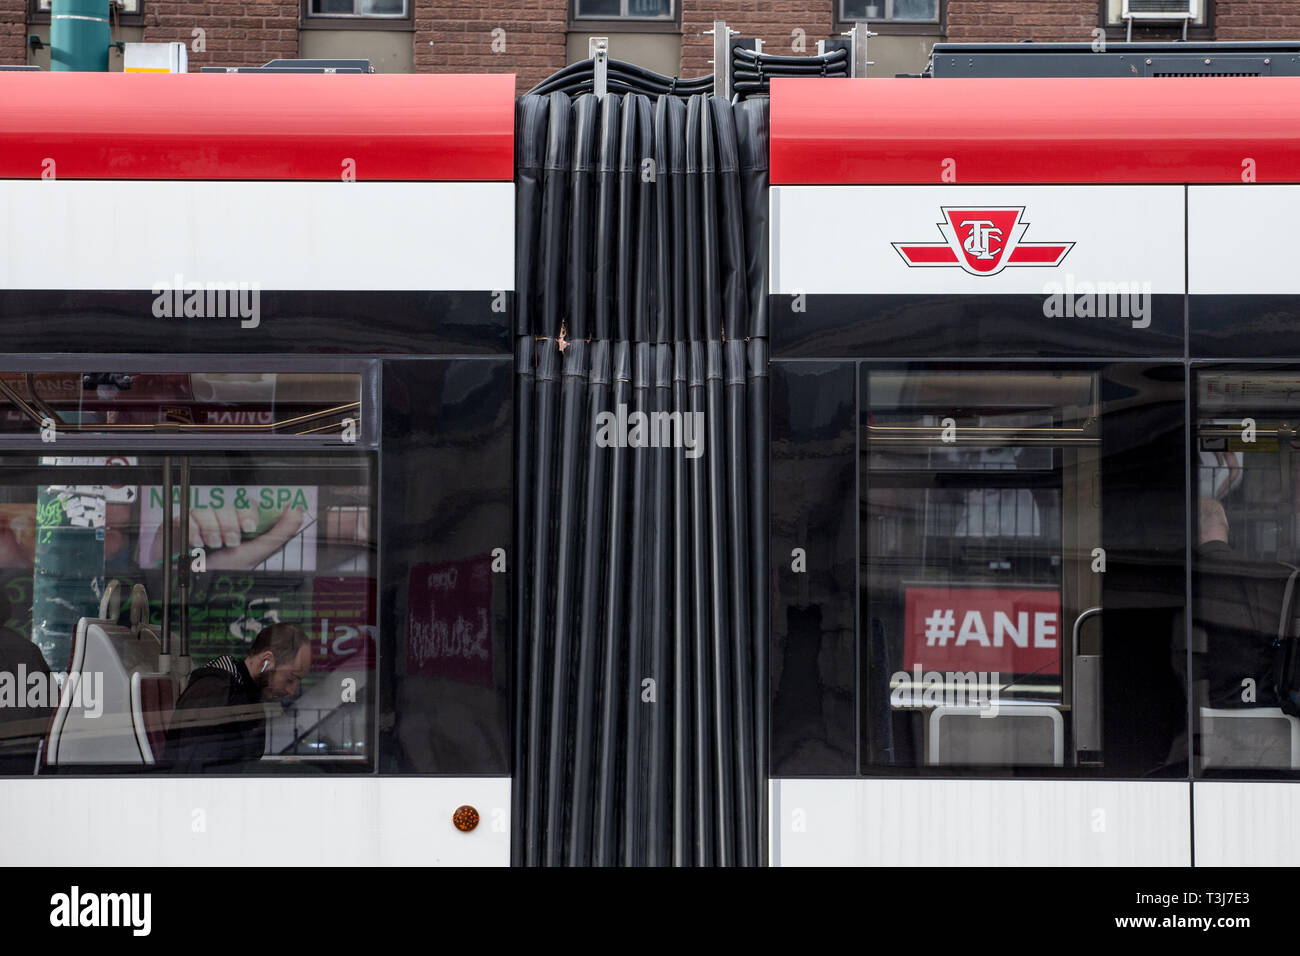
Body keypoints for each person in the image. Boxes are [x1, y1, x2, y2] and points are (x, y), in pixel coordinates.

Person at [163, 622, 311, 772]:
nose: (292, 690)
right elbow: (198, 773)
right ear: (266, 661)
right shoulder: (214, 691)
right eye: (290, 679)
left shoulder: (246, 693)